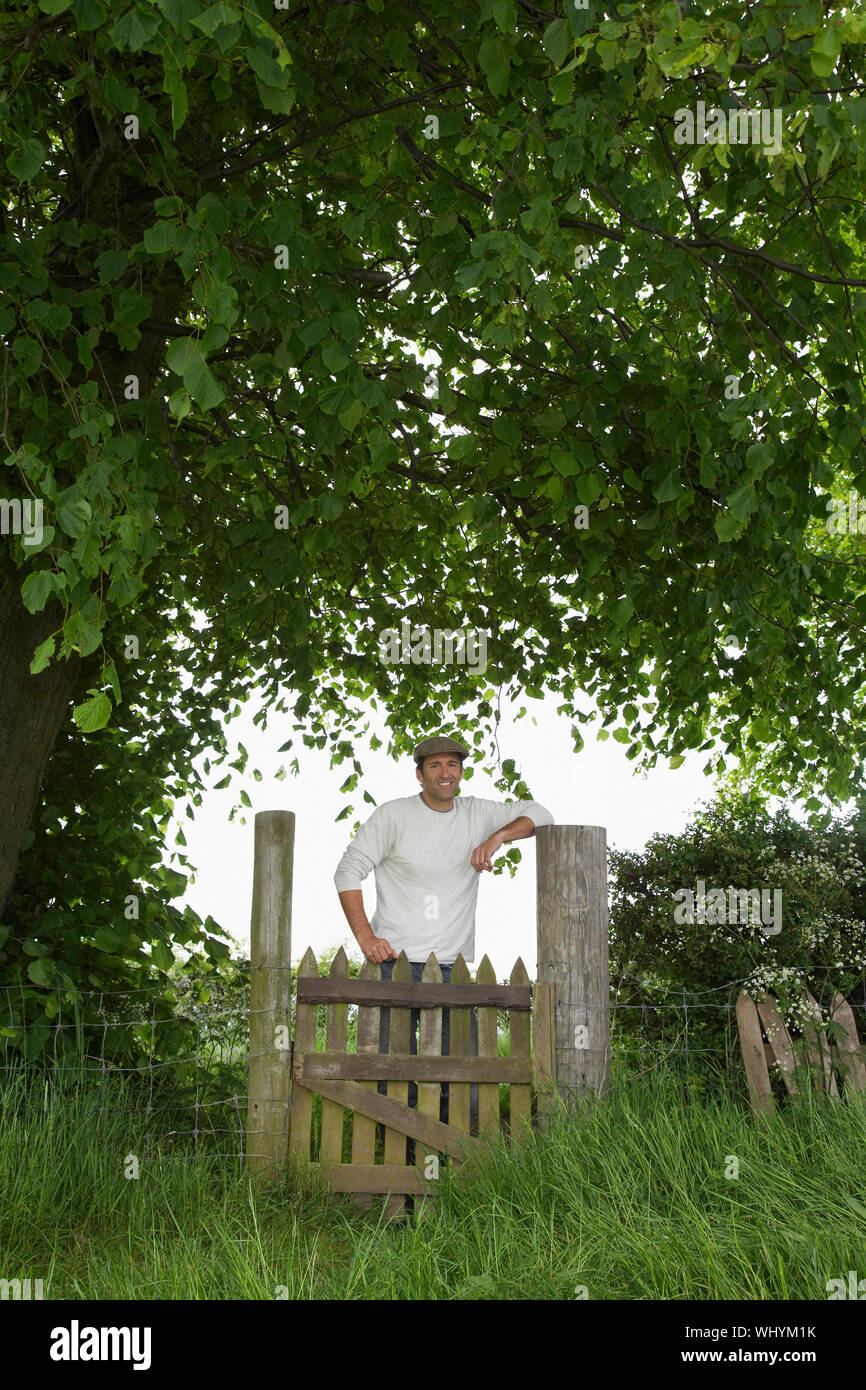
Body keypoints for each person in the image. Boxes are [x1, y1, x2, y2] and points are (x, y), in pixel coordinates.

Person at [333, 734, 554, 1142]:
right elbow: (347, 872)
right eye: (435, 766)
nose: (445, 773)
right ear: (420, 775)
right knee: (390, 1071)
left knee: (461, 1073)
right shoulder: (393, 816)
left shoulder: (478, 814)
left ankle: (456, 1161)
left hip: (452, 968)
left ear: (461, 772)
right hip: (392, 966)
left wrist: (497, 837)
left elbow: (541, 815)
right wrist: (366, 938)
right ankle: (398, 1157)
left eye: (452, 765)